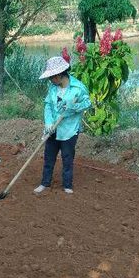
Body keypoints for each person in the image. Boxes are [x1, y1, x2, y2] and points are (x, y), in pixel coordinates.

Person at [34, 55, 91, 195]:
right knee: (49, 157)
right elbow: (48, 105)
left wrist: (74, 107)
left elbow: (87, 103)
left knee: (67, 158)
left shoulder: (78, 88)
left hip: (69, 130)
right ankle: (44, 183)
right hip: (53, 129)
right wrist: (48, 123)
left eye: (52, 77)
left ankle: (67, 185)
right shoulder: (53, 88)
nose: (50, 80)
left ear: (59, 75)